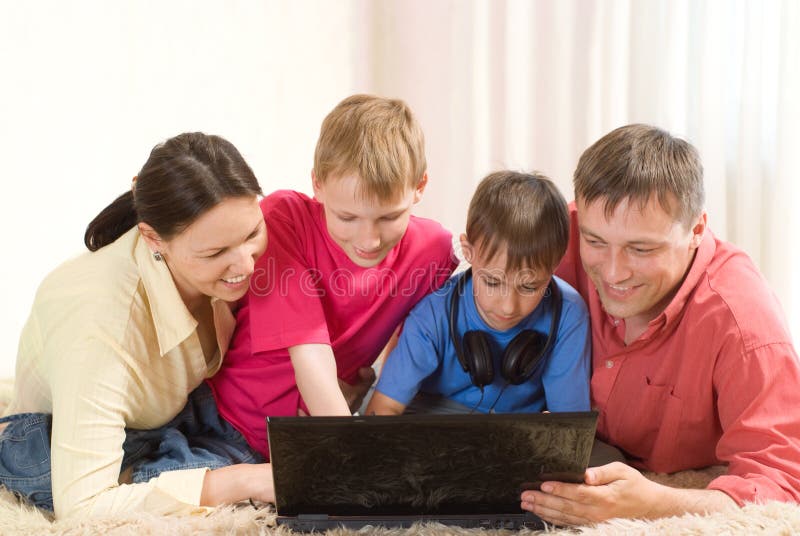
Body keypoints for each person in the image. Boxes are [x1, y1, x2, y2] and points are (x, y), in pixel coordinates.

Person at [520, 124, 800, 524]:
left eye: (641, 248)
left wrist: (653, 503)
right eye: (595, 241)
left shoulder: (744, 325)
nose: (613, 272)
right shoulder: (557, 234)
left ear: (696, 231)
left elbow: (782, 485)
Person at [0, 133, 274, 519]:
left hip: (170, 417)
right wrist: (247, 481)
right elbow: (83, 505)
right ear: (153, 238)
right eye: (216, 253)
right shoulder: (100, 324)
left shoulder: (218, 249)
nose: (246, 264)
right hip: (46, 441)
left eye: (251, 234)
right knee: (249, 472)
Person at [207, 94, 458, 457]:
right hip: (229, 423)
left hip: (315, 430)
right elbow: (310, 355)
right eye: (347, 218)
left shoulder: (433, 248)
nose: (369, 240)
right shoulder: (284, 219)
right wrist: (349, 457)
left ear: (419, 187)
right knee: (170, 476)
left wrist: (370, 404)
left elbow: (412, 343)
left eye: (389, 217)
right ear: (318, 184)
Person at [366, 171, 591, 416]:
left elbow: (568, 424)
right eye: (493, 282)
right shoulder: (433, 314)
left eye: (529, 287)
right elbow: (383, 409)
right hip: (432, 421)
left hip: (518, 433)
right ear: (468, 251)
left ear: (556, 264)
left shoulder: (568, 314)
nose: (508, 307)